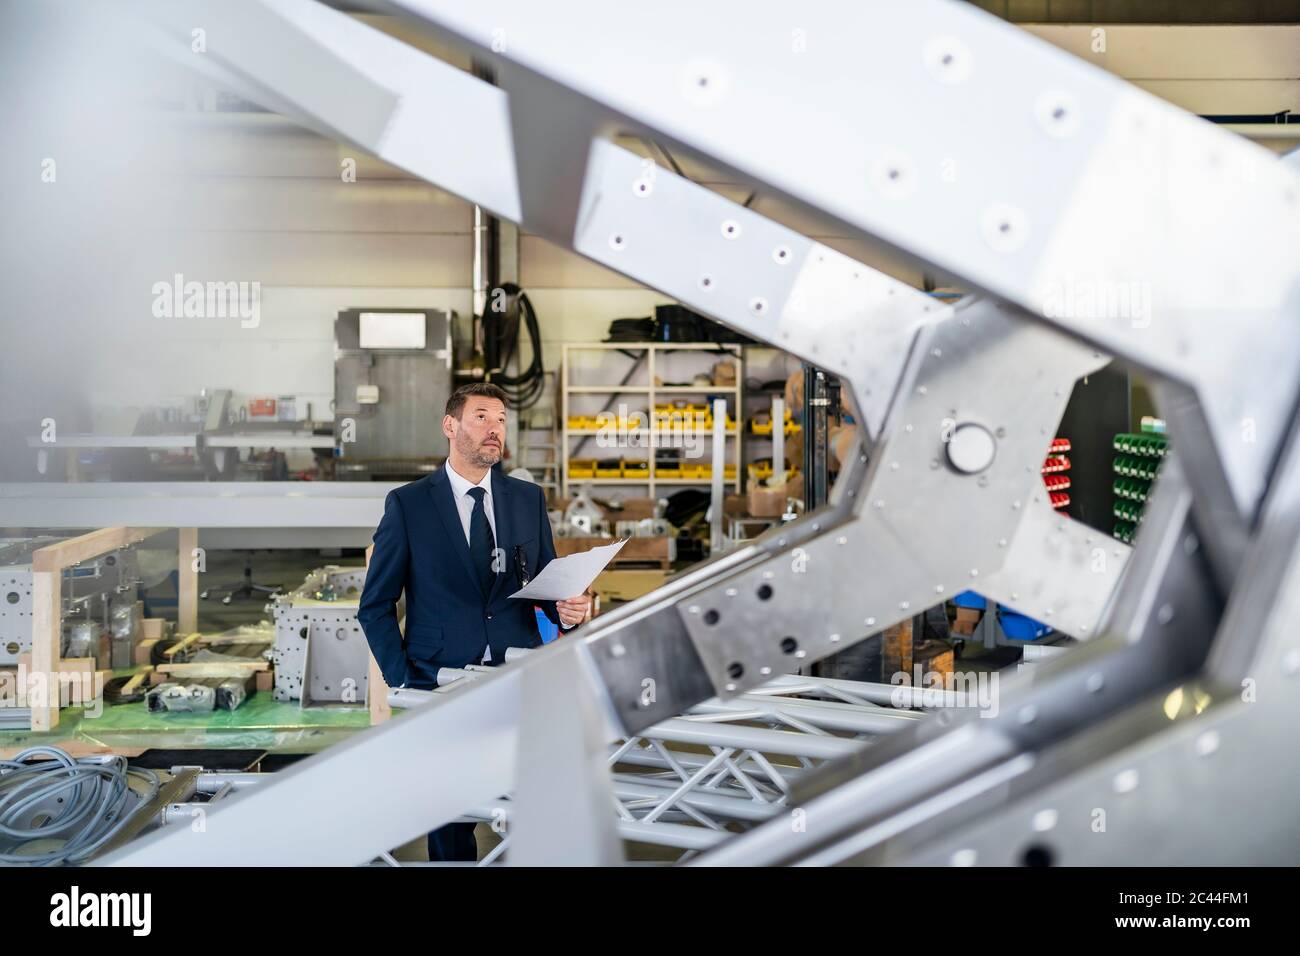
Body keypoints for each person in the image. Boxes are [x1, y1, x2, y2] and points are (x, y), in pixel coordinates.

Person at [357, 382, 590, 862]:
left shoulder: (527, 498)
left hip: (516, 673)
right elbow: (375, 605)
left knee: (529, 808)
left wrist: (568, 609)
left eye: (502, 419)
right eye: (482, 417)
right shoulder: (409, 504)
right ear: (451, 425)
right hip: (438, 681)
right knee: (450, 818)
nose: (495, 429)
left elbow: (544, 587)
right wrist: (403, 680)